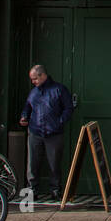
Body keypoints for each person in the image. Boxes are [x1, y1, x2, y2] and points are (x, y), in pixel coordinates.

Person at [19, 64, 74, 201]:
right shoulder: (34, 92)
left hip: (54, 133)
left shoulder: (59, 89)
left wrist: (60, 122)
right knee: (32, 163)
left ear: (43, 76)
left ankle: (55, 190)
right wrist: (24, 116)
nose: (33, 82)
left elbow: (68, 108)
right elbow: (28, 106)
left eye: (35, 79)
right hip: (35, 131)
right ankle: (32, 190)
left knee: (54, 163)